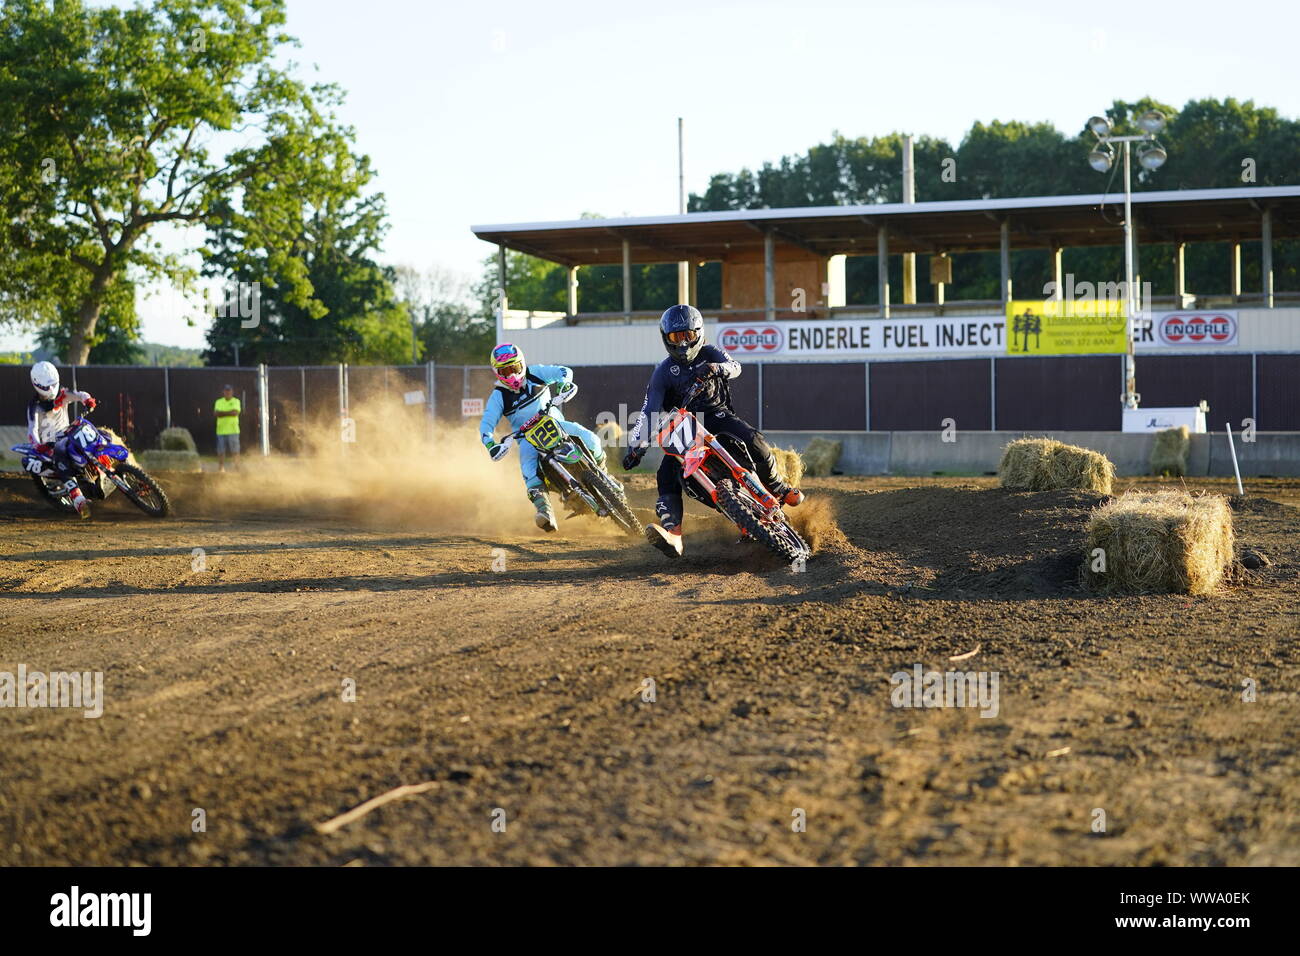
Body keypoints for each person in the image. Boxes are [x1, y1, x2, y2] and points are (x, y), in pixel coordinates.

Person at [622, 304, 803, 558]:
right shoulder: (662, 372)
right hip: (684, 427)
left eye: (689, 335)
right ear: (666, 339)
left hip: (717, 416)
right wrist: (635, 446)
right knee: (666, 474)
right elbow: (648, 410)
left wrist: (717, 368)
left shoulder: (709, 352)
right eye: (677, 337)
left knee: (753, 439)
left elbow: (735, 366)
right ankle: (673, 534)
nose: (684, 343)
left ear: (699, 333)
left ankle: (778, 487)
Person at [479, 343, 607, 532]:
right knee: (528, 469)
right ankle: (545, 512)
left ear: (522, 363)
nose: (512, 375)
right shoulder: (499, 396)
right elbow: (486, 425)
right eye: (505, 371)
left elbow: (563, 371)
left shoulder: (535, 372)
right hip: (527, 438)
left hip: (555, 423)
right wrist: (491, 444)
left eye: (514, 368)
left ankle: (605, 478)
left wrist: (563, 384)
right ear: (496, 373)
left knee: (591, 439)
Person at [26, 361, 97, 517]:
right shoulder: (34, 405)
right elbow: (32, 430)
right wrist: (38, 445)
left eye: (53, 384)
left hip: (69, 432)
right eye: (47, 387)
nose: (51, 389)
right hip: (50, 443)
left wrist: (88, 399)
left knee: (98, 435)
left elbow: (79, 394)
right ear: (36, 384)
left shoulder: (63, 394)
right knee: (60, 455)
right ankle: (77, 498)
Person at [214, 384, 241, 472]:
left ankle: (236, 467)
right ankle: (221, 468)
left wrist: (222, 413)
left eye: (229, 391)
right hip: (221, 431)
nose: (227, 392)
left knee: (235, 450)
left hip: (233, 430)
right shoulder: (218, 402)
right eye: (226, 391)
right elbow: (216, 414)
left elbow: (235, 413)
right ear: (223, 392)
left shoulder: (236, 401)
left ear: (232, 392)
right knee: (221, 450)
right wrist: (229, 412)